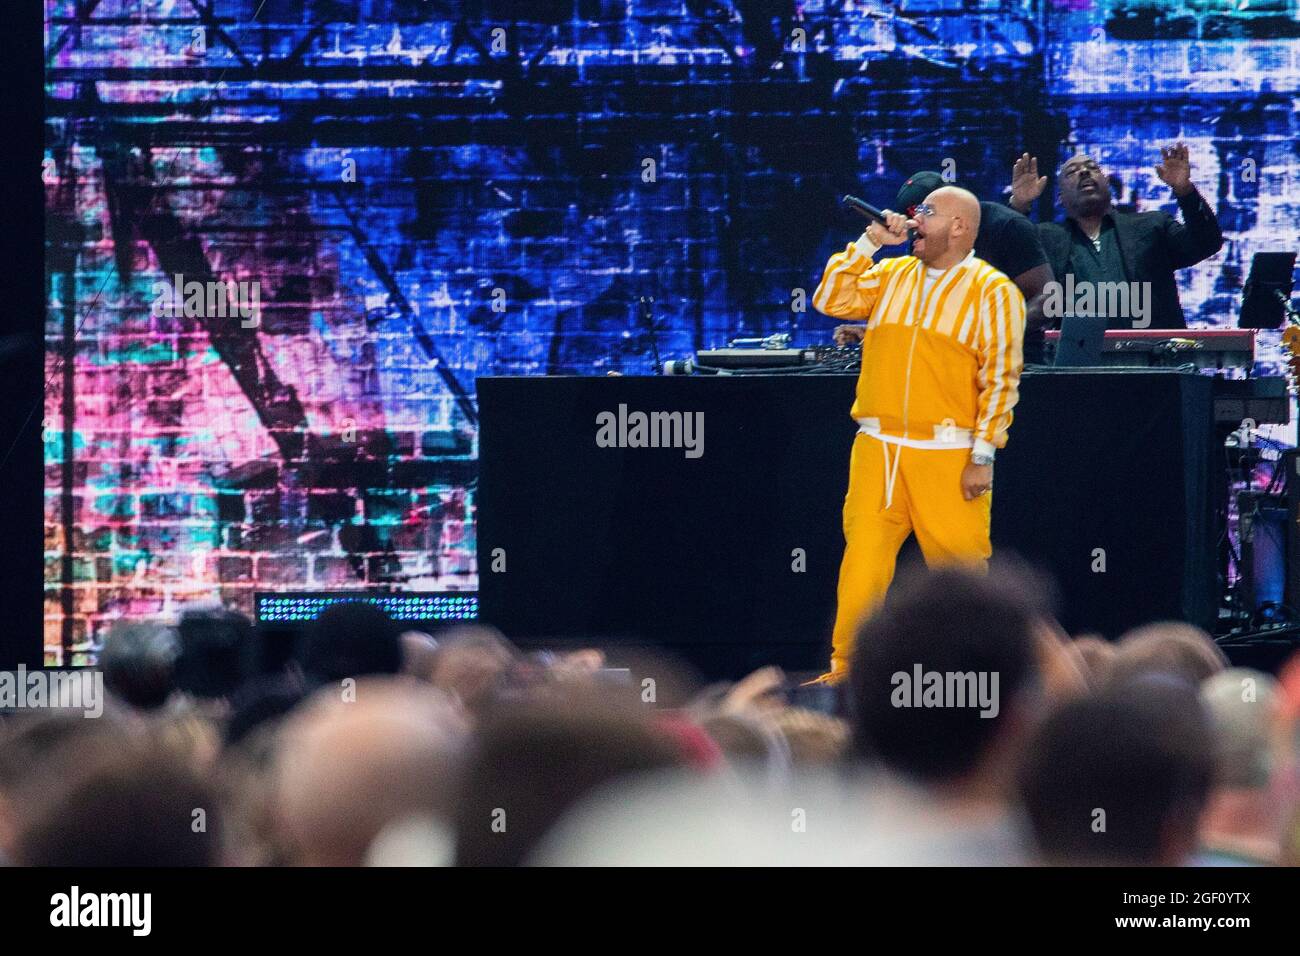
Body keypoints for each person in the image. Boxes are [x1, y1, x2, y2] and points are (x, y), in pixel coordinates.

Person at [811, 186, 1026, 681]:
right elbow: (829, 298)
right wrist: (869, 243)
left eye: (926, 211)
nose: (914, 220)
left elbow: (1001, 380)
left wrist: (983, 455)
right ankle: (847, 671)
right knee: (863, 563)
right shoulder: (890, 274)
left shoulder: (993, 291)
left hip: (947, 454)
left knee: (961, 575)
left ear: (959, 227)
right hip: (878, 447)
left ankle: (976, 673)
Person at [837, 170, 1053, 362]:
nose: (918, 224)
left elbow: (1048, 298)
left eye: (927, 213)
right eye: (913, 219)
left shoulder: (1006, 225)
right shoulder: (919, 238)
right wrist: (878, 331)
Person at [1007, 144, 1223, 329]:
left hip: (1153, 363)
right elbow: (1004, 263)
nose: (1084, 172)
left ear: (1108, 187)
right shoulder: (1045, 237)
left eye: (1092, 168)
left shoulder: (1152, 226)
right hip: (1072, 366)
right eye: (1072, 171)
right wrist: (1020, 204)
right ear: (1060, 198)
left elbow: (1206, 243)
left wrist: (1184, 191)